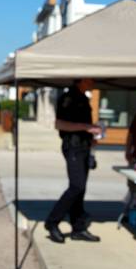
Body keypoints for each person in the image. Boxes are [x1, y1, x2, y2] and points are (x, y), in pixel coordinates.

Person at [44, 79, 102, 244]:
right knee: (77, 186)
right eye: (90, 79)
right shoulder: (68, 97)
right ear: (82, 80)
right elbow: (60, 124)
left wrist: (91, 136)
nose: (93, 82)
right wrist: (86, 128)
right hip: (73, 147)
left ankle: (78, 228)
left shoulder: (84, 98)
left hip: (83, 146)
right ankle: (52, 222)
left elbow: (83, 125)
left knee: (81, 189)